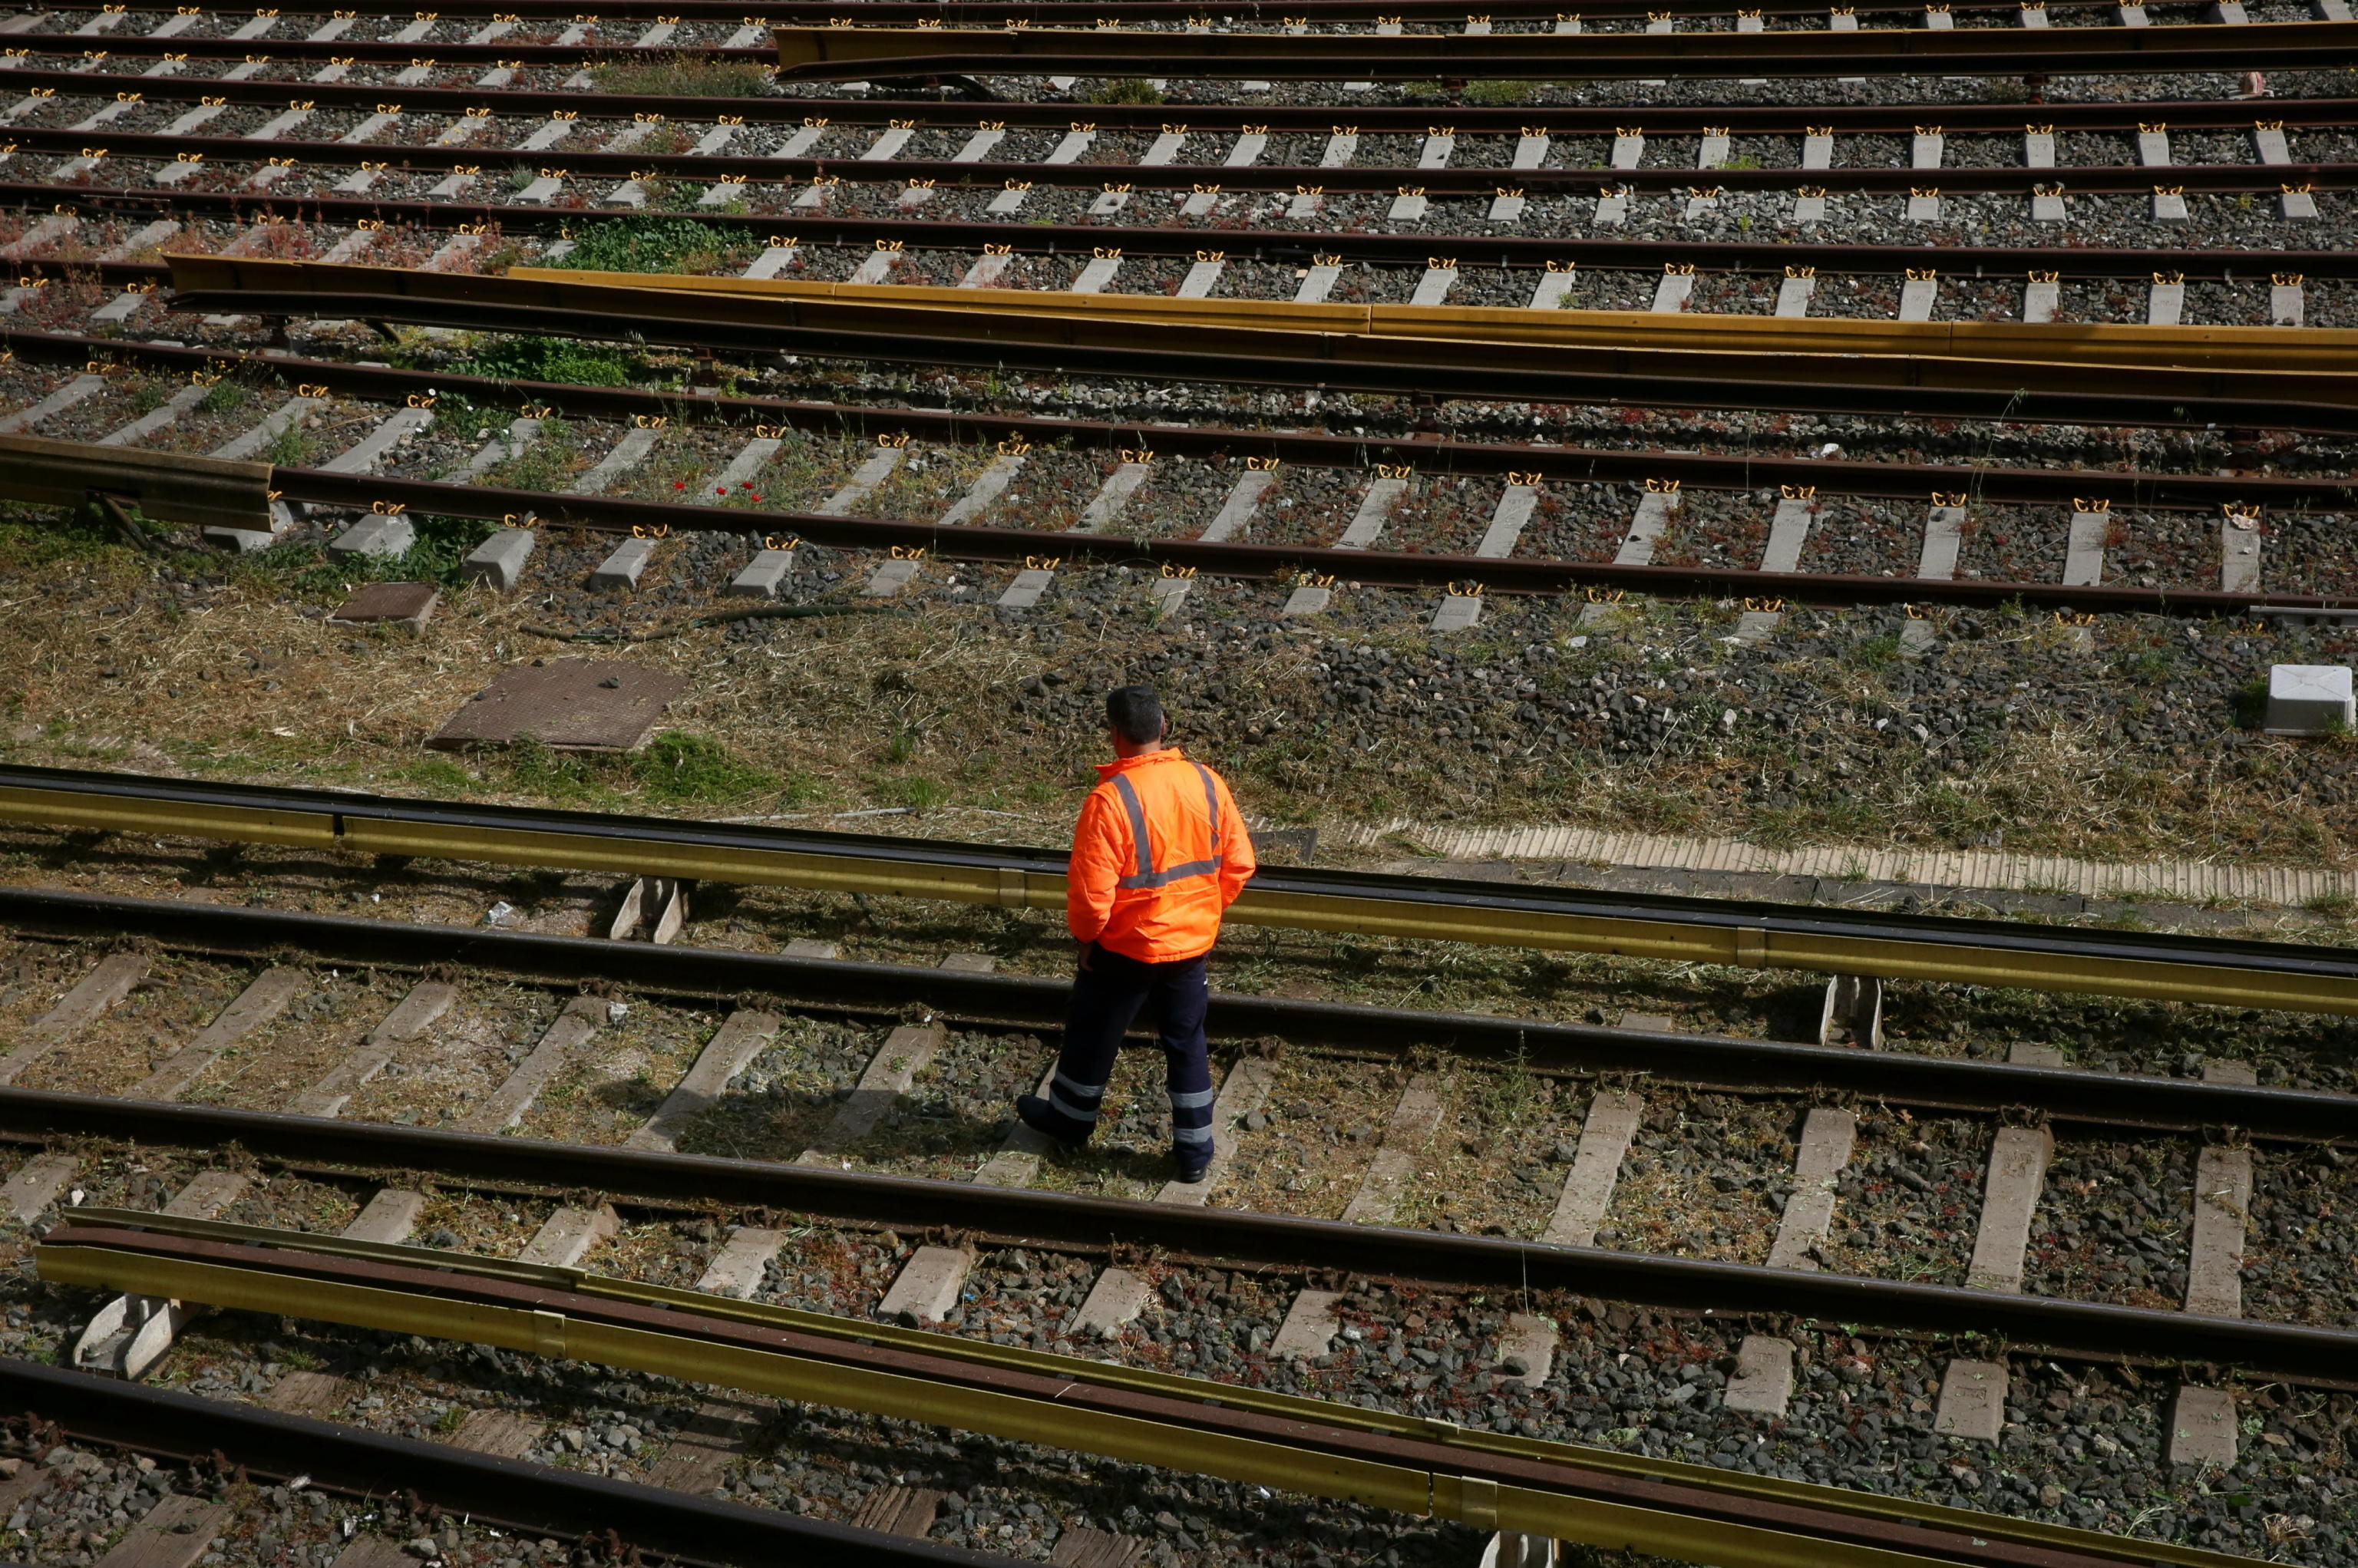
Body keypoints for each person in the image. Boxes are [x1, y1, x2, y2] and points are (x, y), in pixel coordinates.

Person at [1016, 684, 1257, 1183]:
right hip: (1190, 947)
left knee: (1092, 1031)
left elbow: (1090, 893)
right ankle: (1194, 1152)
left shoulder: (1110, 800)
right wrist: (1203, 912)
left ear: (1115, 734)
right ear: (1164, 726)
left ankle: (1071, 1119)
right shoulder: (1207, 783)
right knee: (1187, 1043)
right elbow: (1239, 864)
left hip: (1126, 948)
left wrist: (1088, 939)